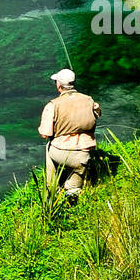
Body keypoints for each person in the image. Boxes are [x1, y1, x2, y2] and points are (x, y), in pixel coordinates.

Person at [39, 67, 101, 198]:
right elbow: (97, 113)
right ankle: (73, 190)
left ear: (59, 85)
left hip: (60, 153)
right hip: (84, 155)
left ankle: (52, 189)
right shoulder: (89, 100)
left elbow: (45, 134)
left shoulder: (52, 105)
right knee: (75, 180)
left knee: (48, 147)